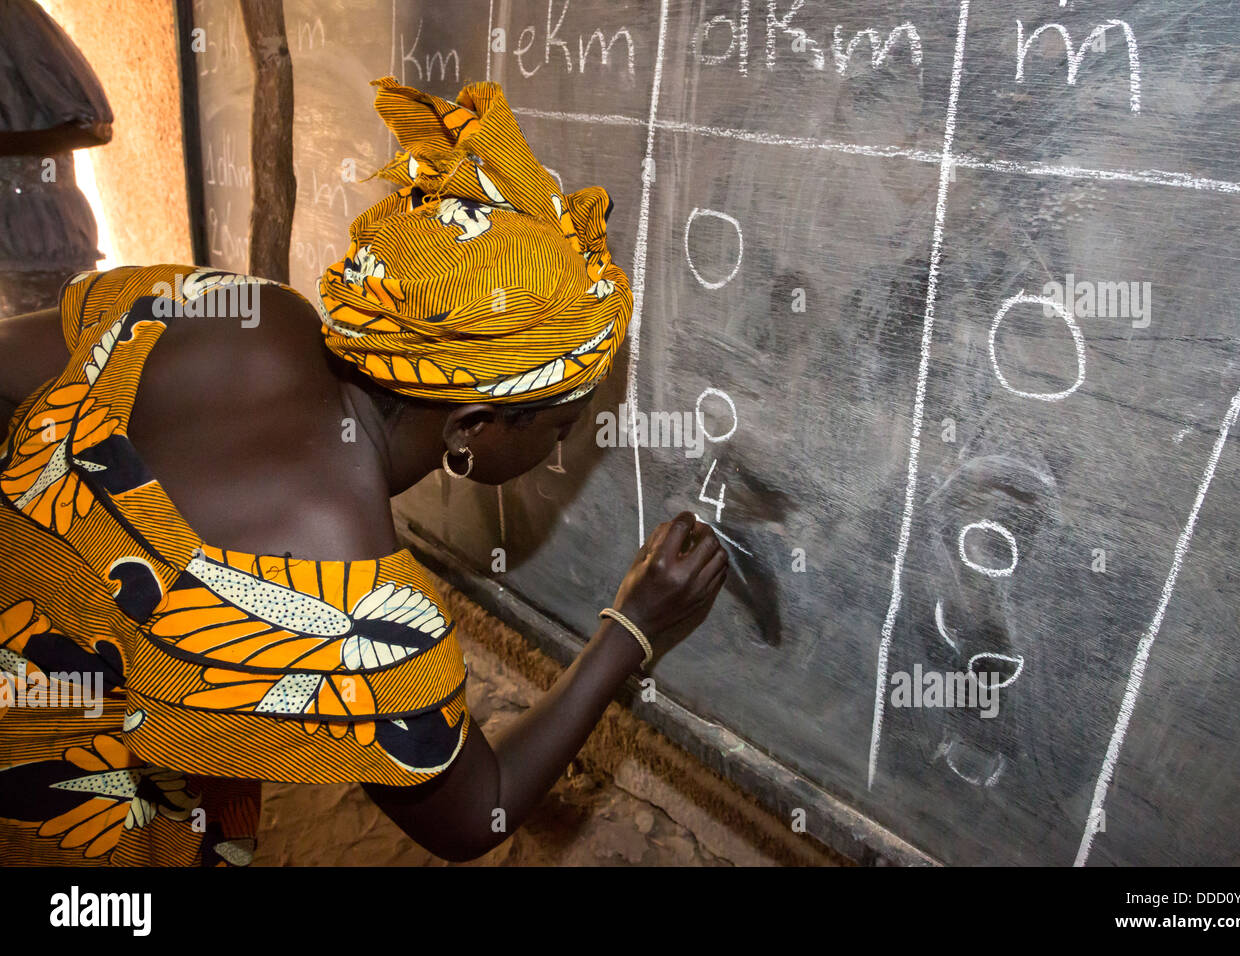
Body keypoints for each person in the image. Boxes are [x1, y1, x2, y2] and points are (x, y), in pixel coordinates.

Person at [0, 76, 727, 865]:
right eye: (559, 424)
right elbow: (473, 815)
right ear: (474, 428)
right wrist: (631, 630)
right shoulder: (358, 610)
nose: (563, 447)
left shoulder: (234, 306)